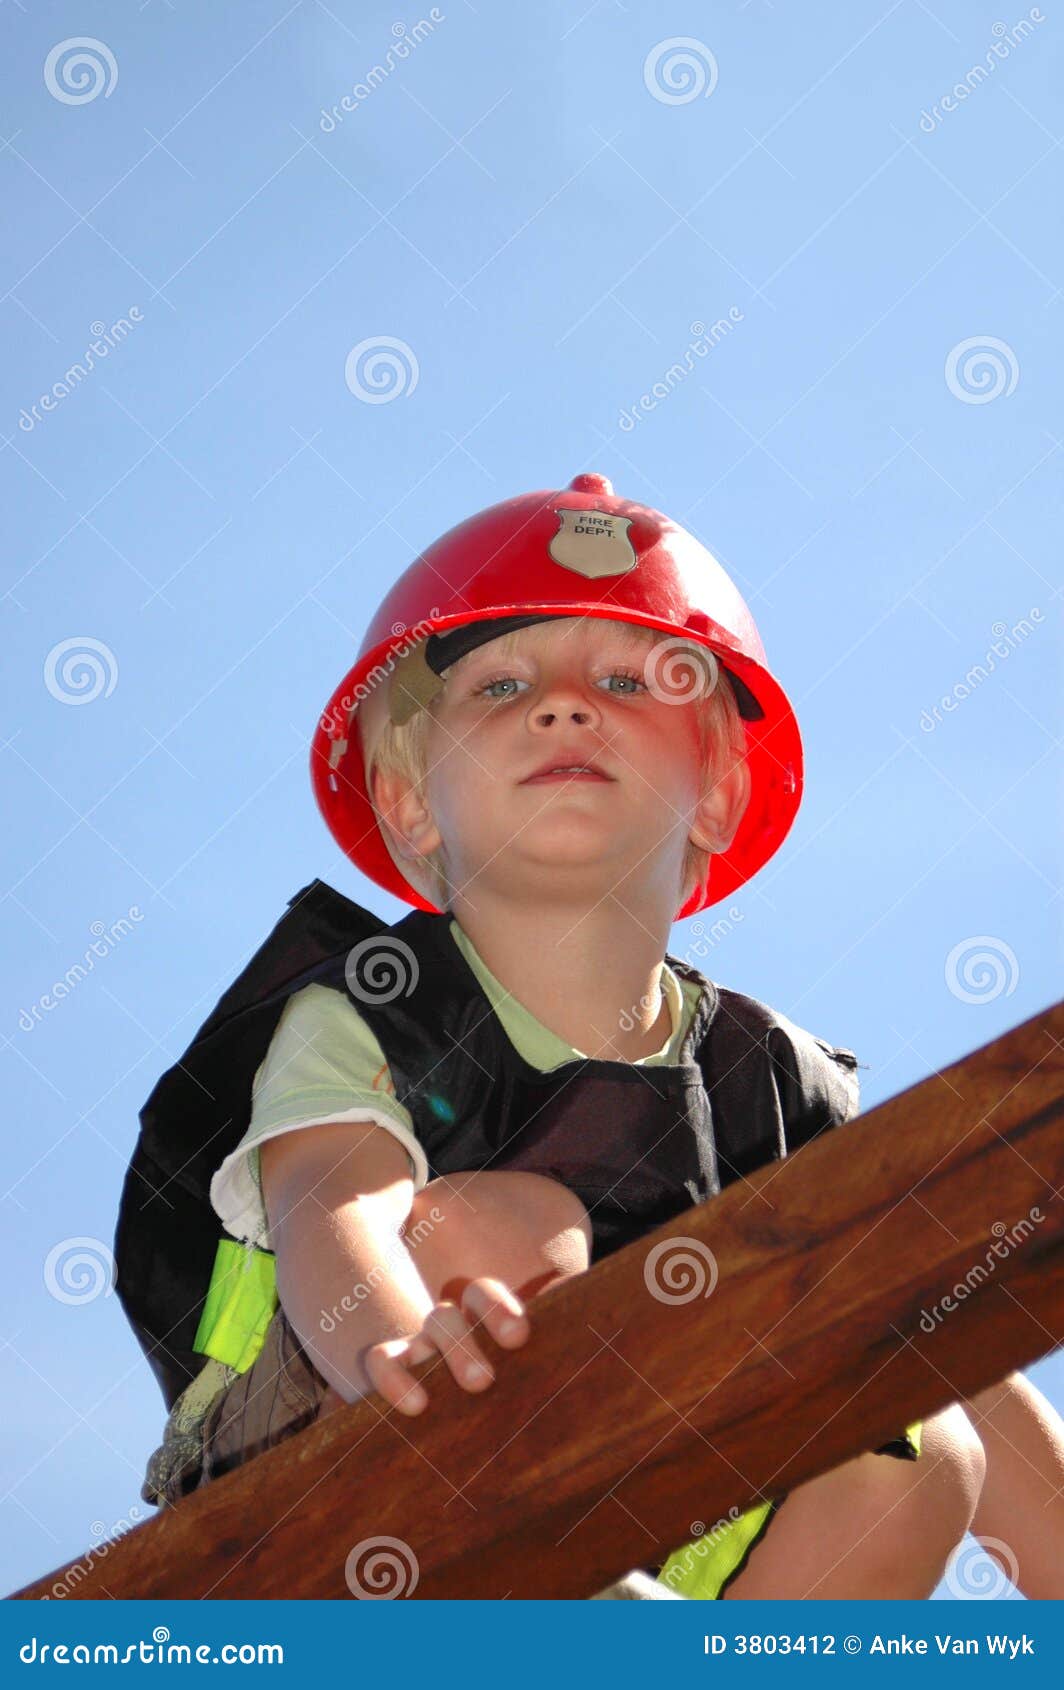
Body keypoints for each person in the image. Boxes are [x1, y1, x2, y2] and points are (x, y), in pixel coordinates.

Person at [130, 473, 1062, 1599]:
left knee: (921, 1408)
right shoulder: (376, 1008)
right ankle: (512, 1575)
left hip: (624, 1520)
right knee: (526, 1230)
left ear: (714, 793)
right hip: (328, 1466)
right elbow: (335, 1202)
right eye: (501, 685)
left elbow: (940, 1326)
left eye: (626, 681)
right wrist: (397, 1357)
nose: (564, 708)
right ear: (410, 798)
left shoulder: (768, 1084)